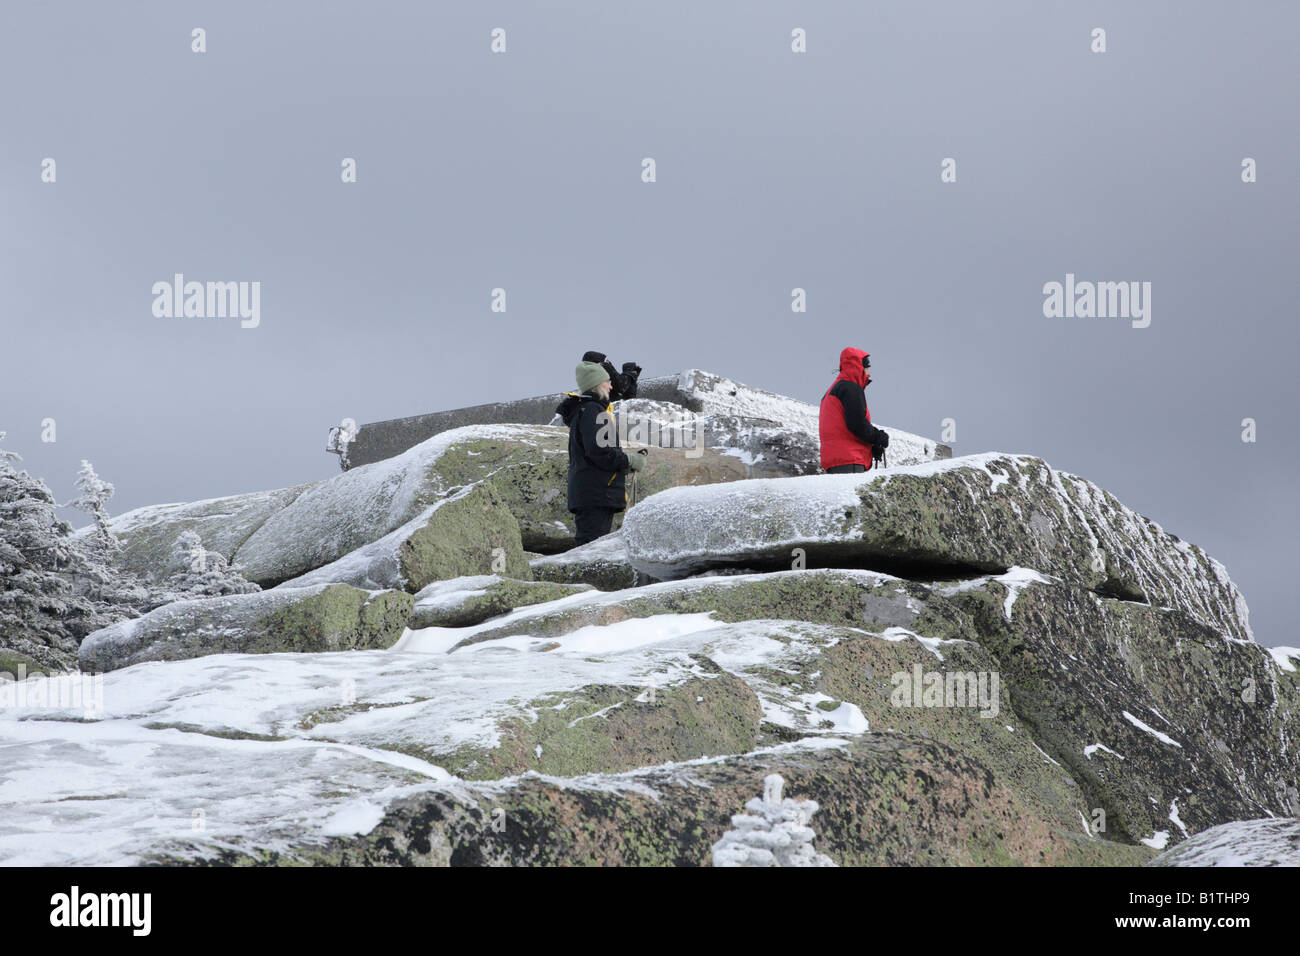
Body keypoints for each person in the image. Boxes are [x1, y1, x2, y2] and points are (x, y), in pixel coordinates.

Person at [557, 360, 648, 545]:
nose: (611, 385)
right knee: (590, 551)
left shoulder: (586, 410)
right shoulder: (594, 412)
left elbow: (595, 453)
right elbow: (600, 452)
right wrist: (630, 460)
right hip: (597, 494)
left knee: (590, 547)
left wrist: (624, 465)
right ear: (598, 384)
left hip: (592, 492)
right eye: (607, 381)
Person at [819, 346, 889, 473]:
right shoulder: (851, 388)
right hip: (850, 460)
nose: (869, 373)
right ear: (858, 367)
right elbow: (857, 424)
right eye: (867, 368)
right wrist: (877, 437)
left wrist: (870, 446)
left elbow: (843, 427)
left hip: (835, 461)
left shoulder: (832, 391)